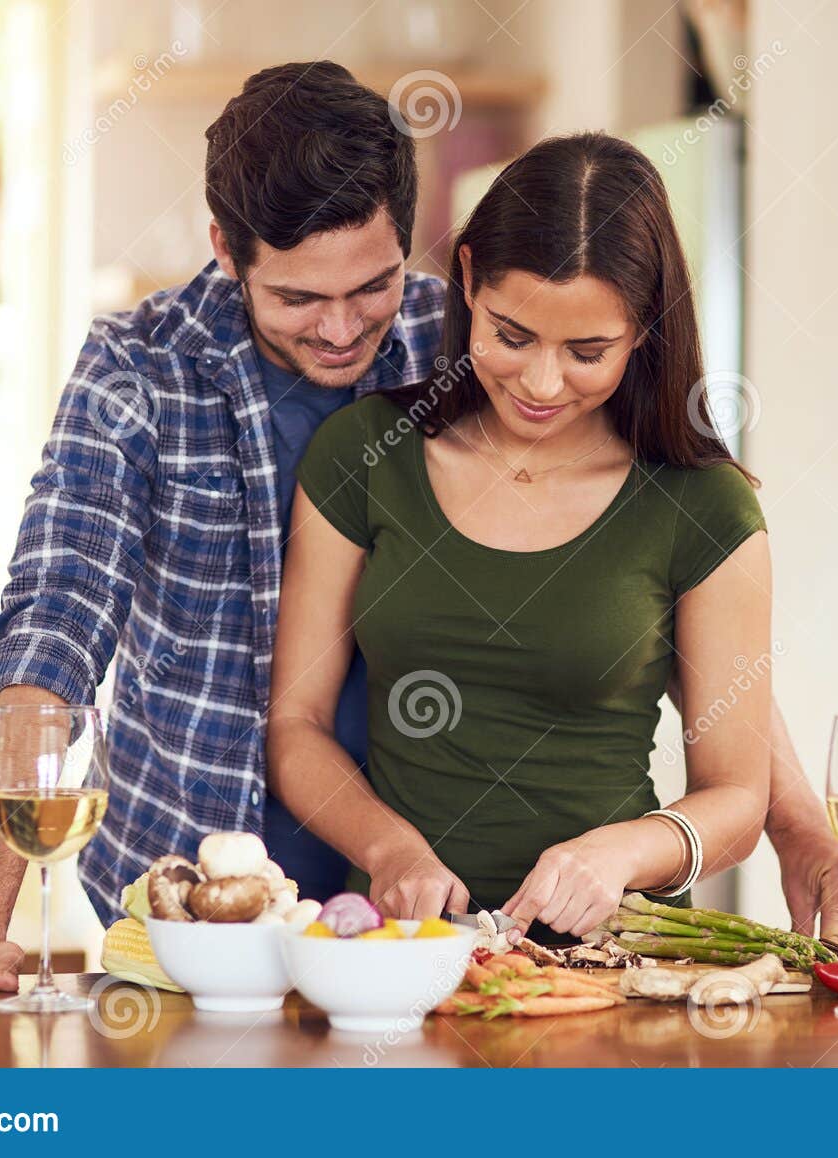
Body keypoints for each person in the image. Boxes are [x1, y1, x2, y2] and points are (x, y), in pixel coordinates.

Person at [0, 61, 838, 1000]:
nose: (340, 329)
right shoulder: (136, 375)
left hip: (456, 924)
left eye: (370, 286)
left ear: (419, 247)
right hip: (211, 899)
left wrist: (793, 826)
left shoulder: (475, 338)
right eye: (296, 299)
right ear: (226, 249)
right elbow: (55, 631)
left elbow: (668, 590)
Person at [270, 132, 771, 935]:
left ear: (646, 328)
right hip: (406, 954)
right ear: (467, 278)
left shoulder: (702, 506)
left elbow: (739, 798)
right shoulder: (366, 456)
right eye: (511, 336)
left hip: (616, 967)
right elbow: (297, 727)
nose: (541, 384)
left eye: (588, 351)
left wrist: (618, 855)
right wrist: (392, 848)